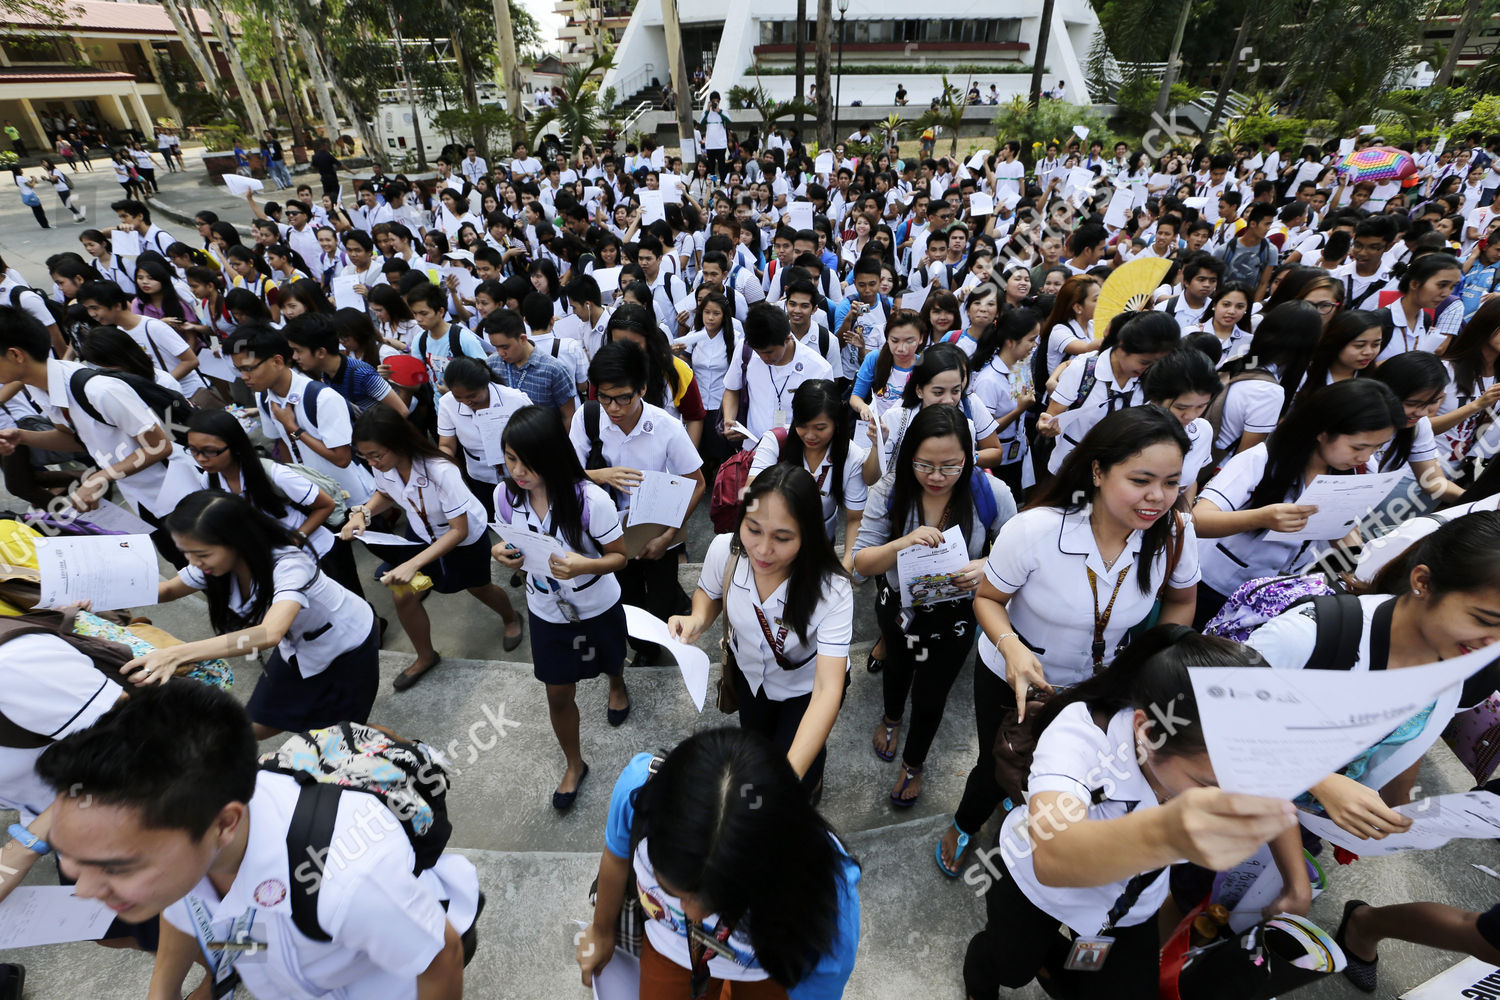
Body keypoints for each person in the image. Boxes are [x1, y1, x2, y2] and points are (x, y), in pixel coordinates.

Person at [36, 680, 480, 1000]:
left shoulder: (351, 883)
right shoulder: (181, 848)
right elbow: (190, 906)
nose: (84, 890)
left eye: (116, 867)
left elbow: (440, 955)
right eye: (72, 857)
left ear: (225, 824)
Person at [961, 628, 1304, 1000]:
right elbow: (1053, 854)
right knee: (1010, 966)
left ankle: (1054, 964)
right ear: (1146, 731)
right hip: (1036, 888)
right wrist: (1167, 833)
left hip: (1127, 904)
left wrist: (1322, 784)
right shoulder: (1081, 736)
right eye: (1207, 784)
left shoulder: (1219, 754)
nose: (1227, 798)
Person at [938, 406, 1201, 876]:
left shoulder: (1176, 534)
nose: (1157, 497)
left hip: (1100, 686)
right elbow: (988, 599)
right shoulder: (1034, 530)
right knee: (997, 762)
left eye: (1171, 482)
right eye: (1141, 480)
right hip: (1013, 676)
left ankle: (1029, 810)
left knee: (1067, 768)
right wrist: (1011, 647)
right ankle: (965, 822)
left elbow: (1182, 600)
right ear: (1097, 471)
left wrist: (1154, 662)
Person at [1247, 512, 1500, 841]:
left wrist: (1399, 807)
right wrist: (1320, 781)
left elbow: (1407, 734)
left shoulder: (1466, 671)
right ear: (1422, 582)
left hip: (1305, 825)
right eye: (1483, 620)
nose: (1493, 643)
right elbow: (1208, 723)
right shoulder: (1307, 637)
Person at [576, 728, 860, 997]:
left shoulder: (828, 901)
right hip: (671, 946)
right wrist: (601, 932)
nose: (694, 915)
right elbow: (616, 856)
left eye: (720, 902)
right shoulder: (638, 793)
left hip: (765, 967)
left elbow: (819, 984)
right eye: (673, 892)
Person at [854, 405, 1016, 807]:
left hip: (956, 617)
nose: (937, 477)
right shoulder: (890, 489)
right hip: (898, 609)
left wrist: (985, 565)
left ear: (970, 457)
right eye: (925, 465)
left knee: (932, 694)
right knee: (897, 669)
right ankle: (891, 718)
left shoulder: (990, 493)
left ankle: (914, 762)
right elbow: (860, 562)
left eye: (951, 466)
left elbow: (1018, 554)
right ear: (908, 456)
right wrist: (900, 544)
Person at [130, 491, 379, 741]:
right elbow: (168, 589)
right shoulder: (211, 565)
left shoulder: (290, 565)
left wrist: (176, 654)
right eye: (186, 553)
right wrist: (100, 592)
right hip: (297, 651)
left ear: (238, 541)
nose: (194, 562)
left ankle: (408, 752)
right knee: (253, 726)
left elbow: (269, 633)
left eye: (202, 554)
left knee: (342, 738)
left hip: (346, 652)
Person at [669, 464, 854, 798]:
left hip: (805, 688)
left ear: (807, 535)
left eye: (782, 538)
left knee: (803, 766)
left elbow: (828, 689)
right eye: (753, 529)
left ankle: (811, 786)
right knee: (757, 745)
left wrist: (788, 778)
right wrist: (697, 619)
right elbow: (709, 595)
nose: (763, 550)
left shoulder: (832, 588)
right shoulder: (725, 551)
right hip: (751, 678)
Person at [492, 404, 631, 807]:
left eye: (527, 461)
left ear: (553, 456)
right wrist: (502, 552)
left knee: (611, 659)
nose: (517, 471)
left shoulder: (590, 499)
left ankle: (617, 684)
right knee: (557, 694)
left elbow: (620, 557)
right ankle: (574, 763)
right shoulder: (504, 496)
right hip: (545, 609)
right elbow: (507, 542)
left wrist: (585, 564)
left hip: (595, 603)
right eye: (511, 458)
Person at [1192, 378, 1404, 625]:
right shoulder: (1261, 460)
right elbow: (1198, 520)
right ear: (1323, 431)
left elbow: (1342, 528)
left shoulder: (1355, 470)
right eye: (1358, 446)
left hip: (1275, 595)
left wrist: (1362, 564)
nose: (1365, 456)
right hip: (1215, 583)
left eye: (1377, 448)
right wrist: (1261, 518)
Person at [343, 406, 524, 689]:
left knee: (479, 587)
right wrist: (362, 513)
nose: (372, 463)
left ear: (399, 443)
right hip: (423, 535)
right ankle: (425, 656)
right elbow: (385, 492)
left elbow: (458, 531)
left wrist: (412, 563)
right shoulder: (386, 467)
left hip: (463, 540)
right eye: (364, 456)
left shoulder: (440, 470)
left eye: (376, 455)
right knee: (402, 595)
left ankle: (511, 618)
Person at [0, 306, 193, 565]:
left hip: (180, 495)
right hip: (144, 500)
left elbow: (159, 446)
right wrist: (22, 437)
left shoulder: (98, 390)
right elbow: (73, 439)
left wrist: (102, 476)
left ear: (15, 355)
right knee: (183, 565)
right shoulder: (43, 388)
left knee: (214, 570)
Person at [573, 341, 705, 664]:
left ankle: (665, 618)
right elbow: (568, 475)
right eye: (604, 397)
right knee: (627, 600)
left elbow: (697, 484)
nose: (613, 408)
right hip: (611, 533)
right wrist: (602, 475)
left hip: (657, 528)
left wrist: (666, 537)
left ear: (642, 388)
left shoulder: (667, 428)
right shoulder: (588, 419)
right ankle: (645, 650)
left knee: (658, 605)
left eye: (623, 398)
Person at [184, 408, 366, 601]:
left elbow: (325, 505)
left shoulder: (273, 473)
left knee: (350, 605)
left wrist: (296, 539)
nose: (200, 458)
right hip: (284, 563)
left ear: (235, 445)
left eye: (209, 451)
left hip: (321, 553)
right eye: (193, 450)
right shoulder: (209, 481)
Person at [230, 325, 376, 512]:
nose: (243, 377)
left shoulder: (322, 397)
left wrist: (293, 428)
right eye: (239, 370)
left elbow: (342, 459)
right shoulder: (263, 397)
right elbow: (282, 444)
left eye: (249, 368)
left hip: (353, 496)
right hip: (315, 496)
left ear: (277, 361)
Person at [1039, 310, 1181, 474]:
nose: (1147, 368)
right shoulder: (1084, 370)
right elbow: (1050, 418)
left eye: (1155, 363)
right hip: (1071, 468)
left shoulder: (1151, 380)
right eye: (1144, 362)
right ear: (1122, 346)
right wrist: (1046, 426)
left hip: (1117, 472)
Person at [751, 380, 868, 565]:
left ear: (836, 422)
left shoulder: (851, 456)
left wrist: (847, 564)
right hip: (773, 546)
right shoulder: (775, 441)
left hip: (820, 547)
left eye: (820, 428)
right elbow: (753, 493)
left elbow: (855, 518)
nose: (810, 435)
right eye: (802, 425)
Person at [721, 301, 833, 450]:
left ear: (787, 338)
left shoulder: (819, 369)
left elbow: (823, 421)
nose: (763, 358)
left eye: (768, 352)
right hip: (753, 450)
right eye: (758, 352)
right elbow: (732, 389)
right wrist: (729, 420)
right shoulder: (744, 350)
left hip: (795, 452)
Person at [436, 356, 533, 514]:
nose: (467, 402)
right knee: (493, 516)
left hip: (520, 472)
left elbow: (536, 436)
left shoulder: (514, 400)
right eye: (458, 397)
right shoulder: (447, 404)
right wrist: (441, 466)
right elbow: (446, 445)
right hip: (480, 475)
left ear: (485, 384)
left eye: (472, 396)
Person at [968, 308, 1041, 498]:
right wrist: (1018, 411)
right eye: (1031, 339)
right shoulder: (988, 380)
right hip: (997, 460)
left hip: (1019, 453)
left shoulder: (1021, 366)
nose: (1035, 345)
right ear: (1011, 341)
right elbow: (985, 431)